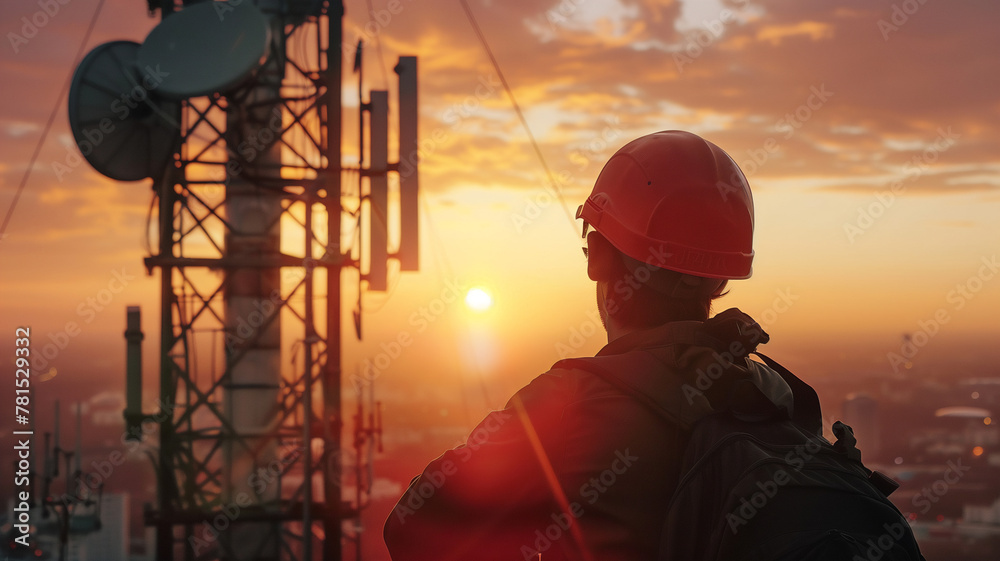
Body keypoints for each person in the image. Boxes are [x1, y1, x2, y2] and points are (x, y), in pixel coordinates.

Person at [383, 130, 794, 561]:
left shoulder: (568, 404)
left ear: (597, 256)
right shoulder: (780, 397)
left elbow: (412, 527)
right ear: (722, 278)